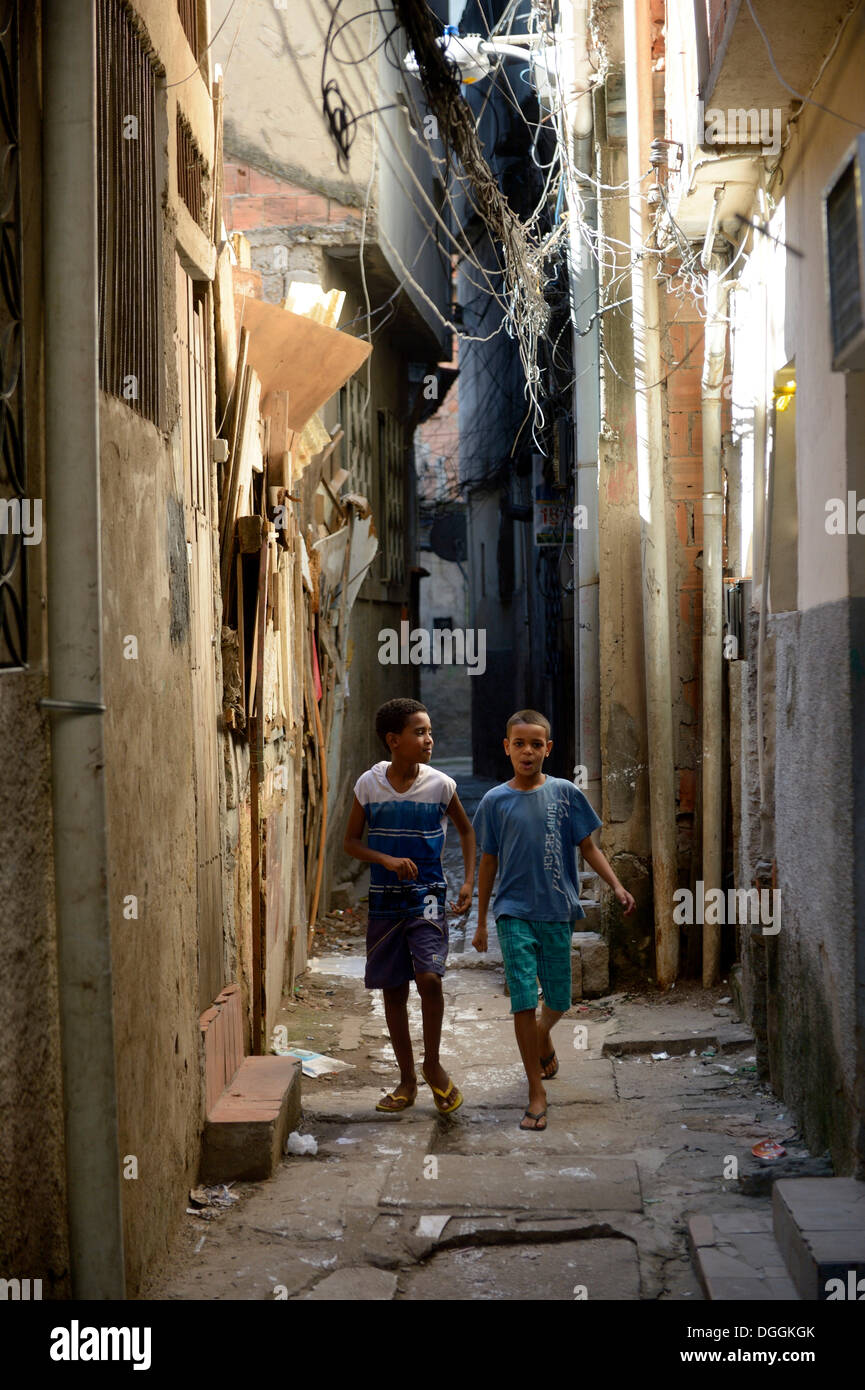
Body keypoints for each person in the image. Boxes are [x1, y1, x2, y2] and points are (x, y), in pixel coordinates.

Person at [471, 709, 636, 1131]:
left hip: (557, 909)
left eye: (536, 744)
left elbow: (589, 847)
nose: (528, 751)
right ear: (507, 748)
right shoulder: (494, 801)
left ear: (549, 748)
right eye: (519, 744)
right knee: (524, 998)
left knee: (559, 1000)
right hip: (513, 911)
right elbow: (488, 861)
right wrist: (482, 919)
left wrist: (615, 885)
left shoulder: (565, 793)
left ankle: (543, 1038)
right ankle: (535, 1092)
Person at [343, 697, 475, 1116]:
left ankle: (432, 1064)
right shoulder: (369, 785)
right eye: (420, 732)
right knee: (394, 989)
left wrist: (468, 881)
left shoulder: (440, 785)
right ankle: (405, 1079)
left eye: (429, 731)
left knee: (430, 978)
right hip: (384, 900)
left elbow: (466, 832)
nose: (429, 739)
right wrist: (385, 860)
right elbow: (351, 842)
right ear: (393, 740)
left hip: (431, 896)